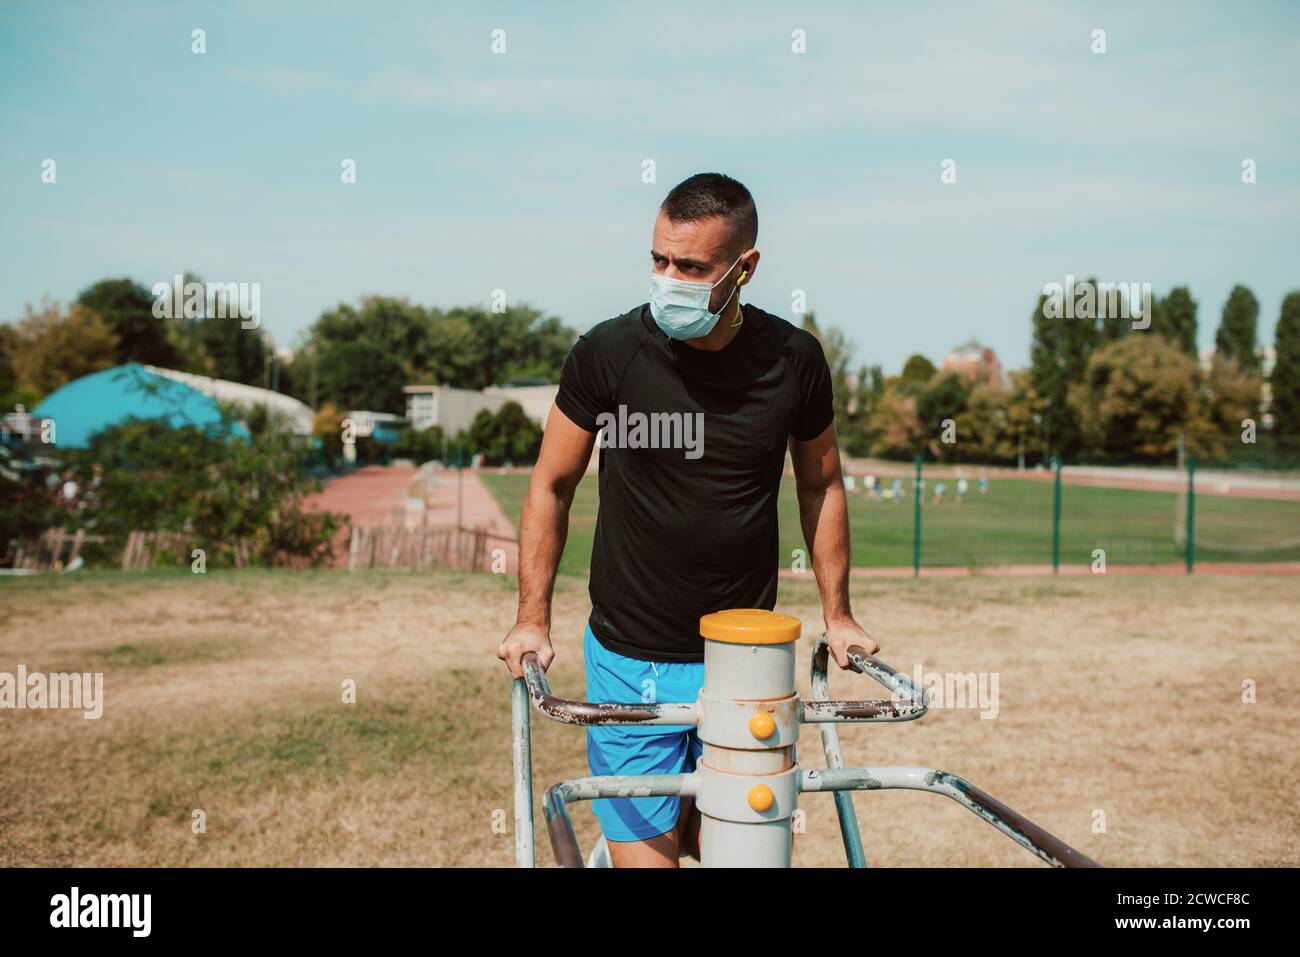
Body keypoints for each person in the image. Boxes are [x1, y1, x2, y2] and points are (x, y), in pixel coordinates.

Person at [496, 173, 880, 868]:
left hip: (744, 658)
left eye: (693, 267)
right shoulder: (607, 354)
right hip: (630, 655)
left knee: (744, 851)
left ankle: (667, 830)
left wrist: (840, 613)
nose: (668, 278)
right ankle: (637, 841)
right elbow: (551, 484)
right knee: (653, 859)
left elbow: (822, 484)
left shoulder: (794, 361)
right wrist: (531, 616)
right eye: (658, 260)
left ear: (745, 268)